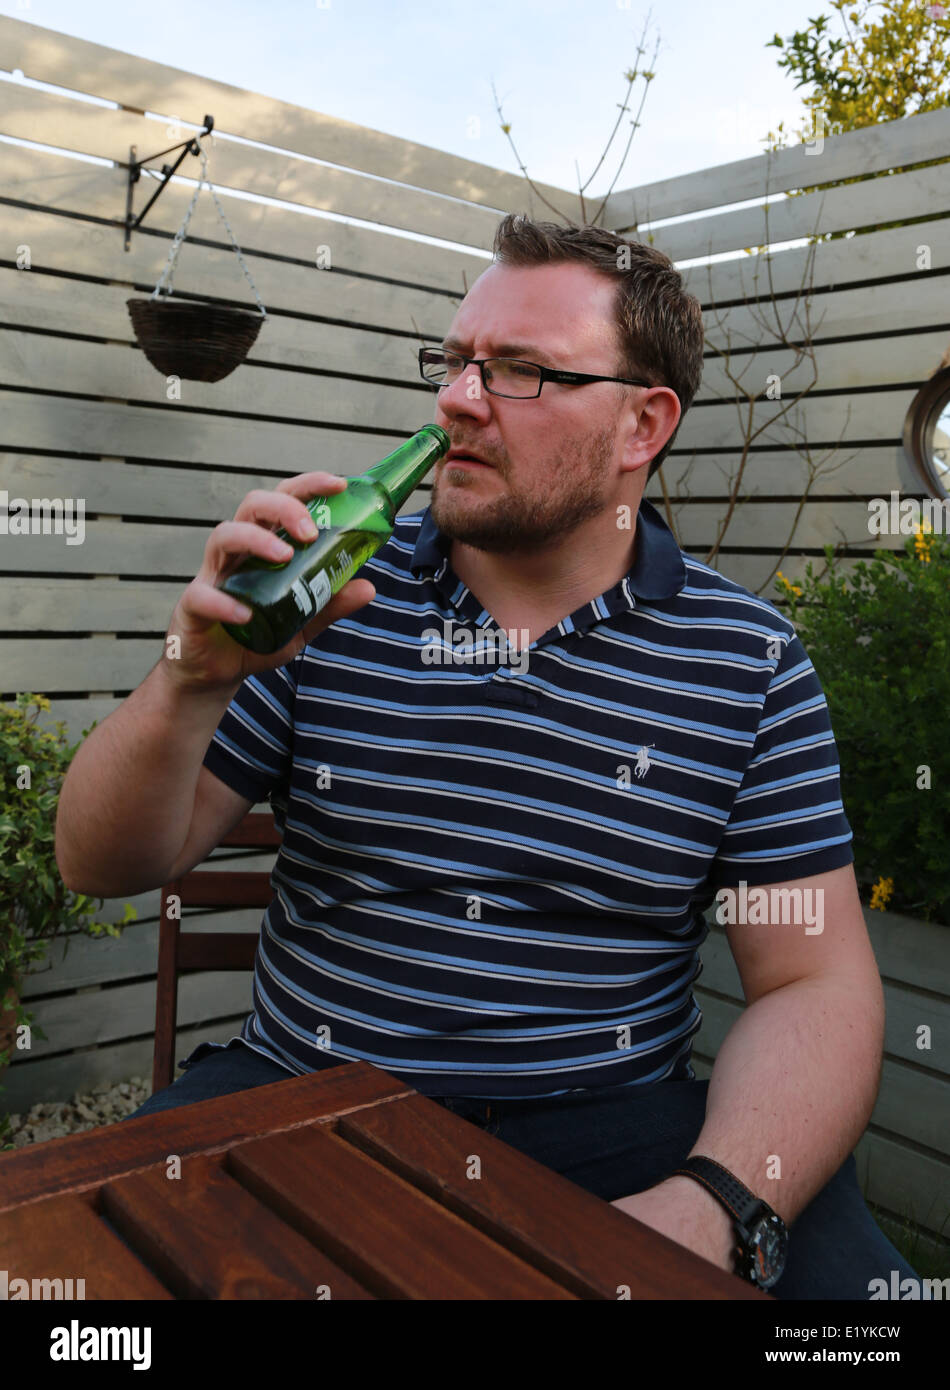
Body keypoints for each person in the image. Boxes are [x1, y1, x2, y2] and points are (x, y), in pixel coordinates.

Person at [56, 214, 918, 1299]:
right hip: (306, 1095)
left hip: (614, 1128)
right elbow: (99, 862)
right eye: (458, 361)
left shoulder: (743, 660)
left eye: (518, 371)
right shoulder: (334, 601)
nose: (458, 399)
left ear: (641, 423)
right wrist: (190, 682)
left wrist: (717, 1202)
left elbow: (812, 979)